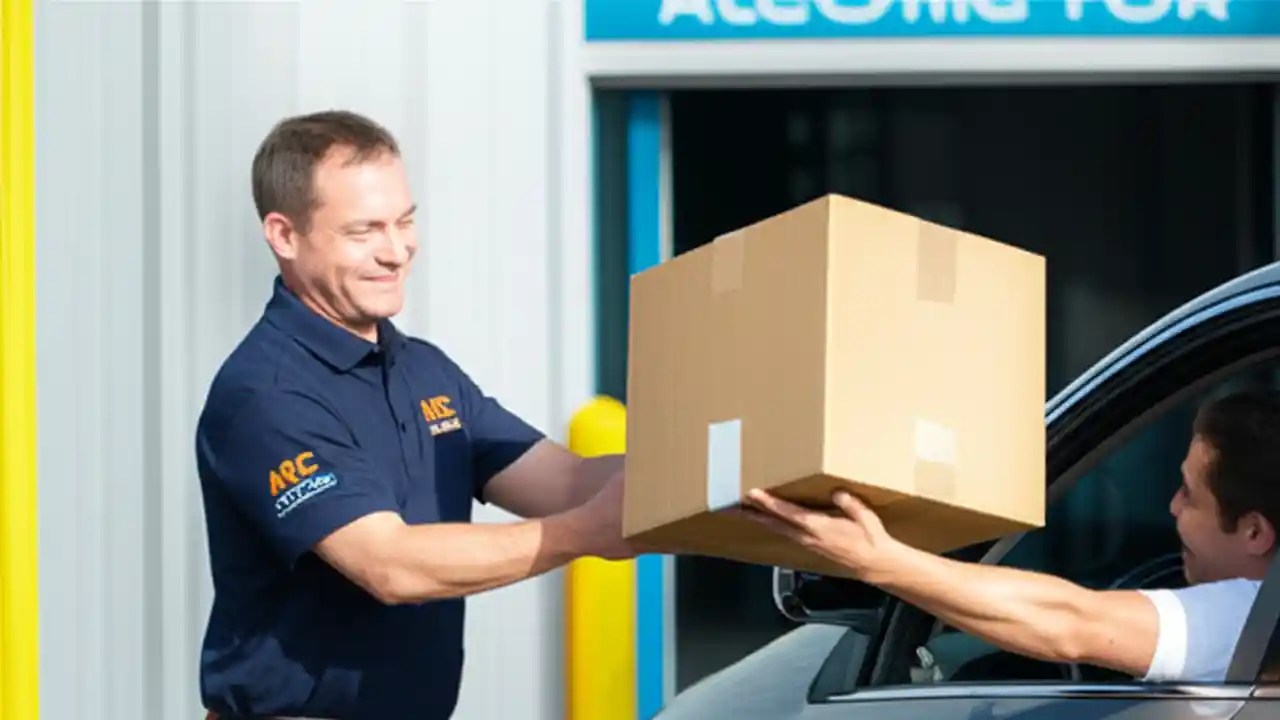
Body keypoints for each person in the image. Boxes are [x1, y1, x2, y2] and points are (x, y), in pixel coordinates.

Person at [194, 110, 636, 720]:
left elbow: (566, 481)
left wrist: (712, 477)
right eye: (364, 231)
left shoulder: (422, 370)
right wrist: (585, 533)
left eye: (404, 221)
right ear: (284, 235)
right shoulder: (265, 395)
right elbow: (390, 565)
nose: (396, 251)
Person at [744, 389, 1279, 684]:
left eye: (1189, 494)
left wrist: (875, 560)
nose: (1172, 506)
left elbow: (1072, 621)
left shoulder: (1247, 619)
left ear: (1255, 532)